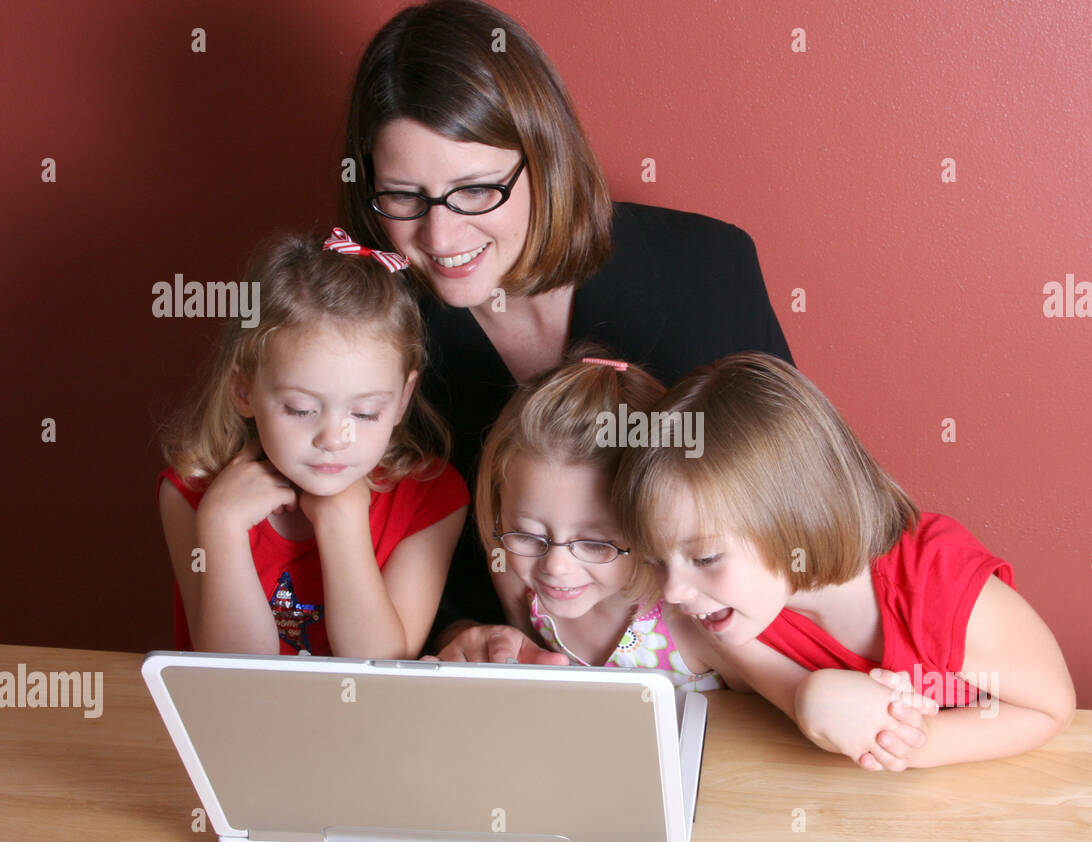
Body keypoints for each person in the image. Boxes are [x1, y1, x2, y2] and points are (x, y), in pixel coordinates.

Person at [338, 0, 794, 658]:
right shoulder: (372, 339)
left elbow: (800, 515)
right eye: (404, 196)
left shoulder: (707, 270)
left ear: (543, 158)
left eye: (476, 191)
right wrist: (465, 637)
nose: (440, 237)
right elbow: (404, 562)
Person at [612, 353, 1076, 770]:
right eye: (656, 560)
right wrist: (812, 699)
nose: (672, 592)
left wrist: (917, 741)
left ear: (797, 511)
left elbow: (1051, 708)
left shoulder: (942, 590)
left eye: (706, 557)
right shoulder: (733, 615)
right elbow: (805, 703)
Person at [157, 229, 469, 658]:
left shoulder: (433, 498)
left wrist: (342, 525)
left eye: (364, 413)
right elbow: (235, 681)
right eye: (302, 409)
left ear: (402, 400)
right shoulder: (191, 494)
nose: (332, 438)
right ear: (244, 389)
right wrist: (221, 528)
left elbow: (380, 673)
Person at [463, 351, 726, 688]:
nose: (555, 567)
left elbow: (789, 709)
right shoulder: (517, 577)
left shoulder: (693, 618)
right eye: (528, 536)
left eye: (595, 544)